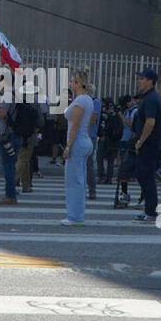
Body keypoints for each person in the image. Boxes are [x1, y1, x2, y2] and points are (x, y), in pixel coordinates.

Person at [61, 71, 96, 225]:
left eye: (73, 81)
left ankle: (74, 216)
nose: (71, 84)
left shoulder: (80, 100)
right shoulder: (88, 99)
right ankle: (78, 214)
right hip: (85, 140)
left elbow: (74, 126)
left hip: (77, 142)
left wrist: (68, 146)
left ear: (78, 83)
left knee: (73, 181)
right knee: (80, 180)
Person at [131, 68, 161, 223]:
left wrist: (141, 141)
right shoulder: (149, 98)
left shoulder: (151, 99)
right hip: (148, 144)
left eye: (142, 78)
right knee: (142, 175)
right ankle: (148, 209)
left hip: (149, 144)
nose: (139, 81)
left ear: (150, 81)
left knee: (146, 176)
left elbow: (150, 122)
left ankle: (151, 211)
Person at [0, 101, 21, 205]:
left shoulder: (7, 96)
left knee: (8, 166)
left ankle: (10, 195)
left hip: (8, 136)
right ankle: (11, 191)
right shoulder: (18, 95)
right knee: (12, 165)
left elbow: (3, 114)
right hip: (16, 134)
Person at [85, 91, 103, 199]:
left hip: (90, 135)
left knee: (88, 163)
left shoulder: (95, 102)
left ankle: (92, 190)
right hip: (82, 135)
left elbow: (93, 119)